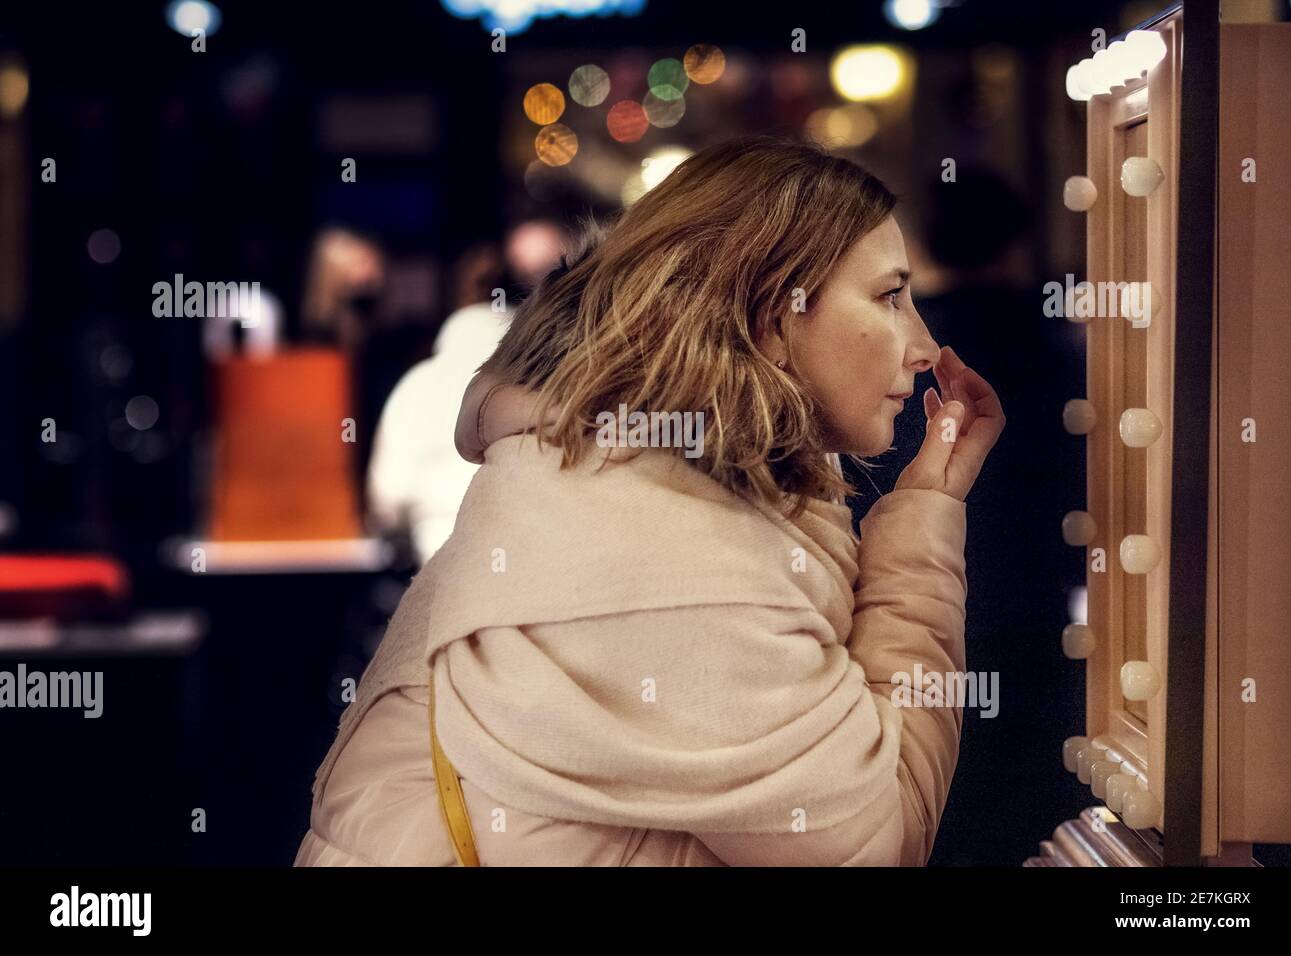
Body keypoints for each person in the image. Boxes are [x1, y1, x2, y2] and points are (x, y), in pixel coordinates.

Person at [295, 136, 1004, 867]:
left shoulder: (610, 469)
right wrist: (922, 522)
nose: (922, 346)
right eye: (891, 296)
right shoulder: (683, 554)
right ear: (773, 315)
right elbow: (879, 841)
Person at [366, 223, 565, 564]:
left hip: (438, 565)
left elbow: (388, 497)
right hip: (543, 564)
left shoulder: (418, 384)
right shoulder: (559, 375)